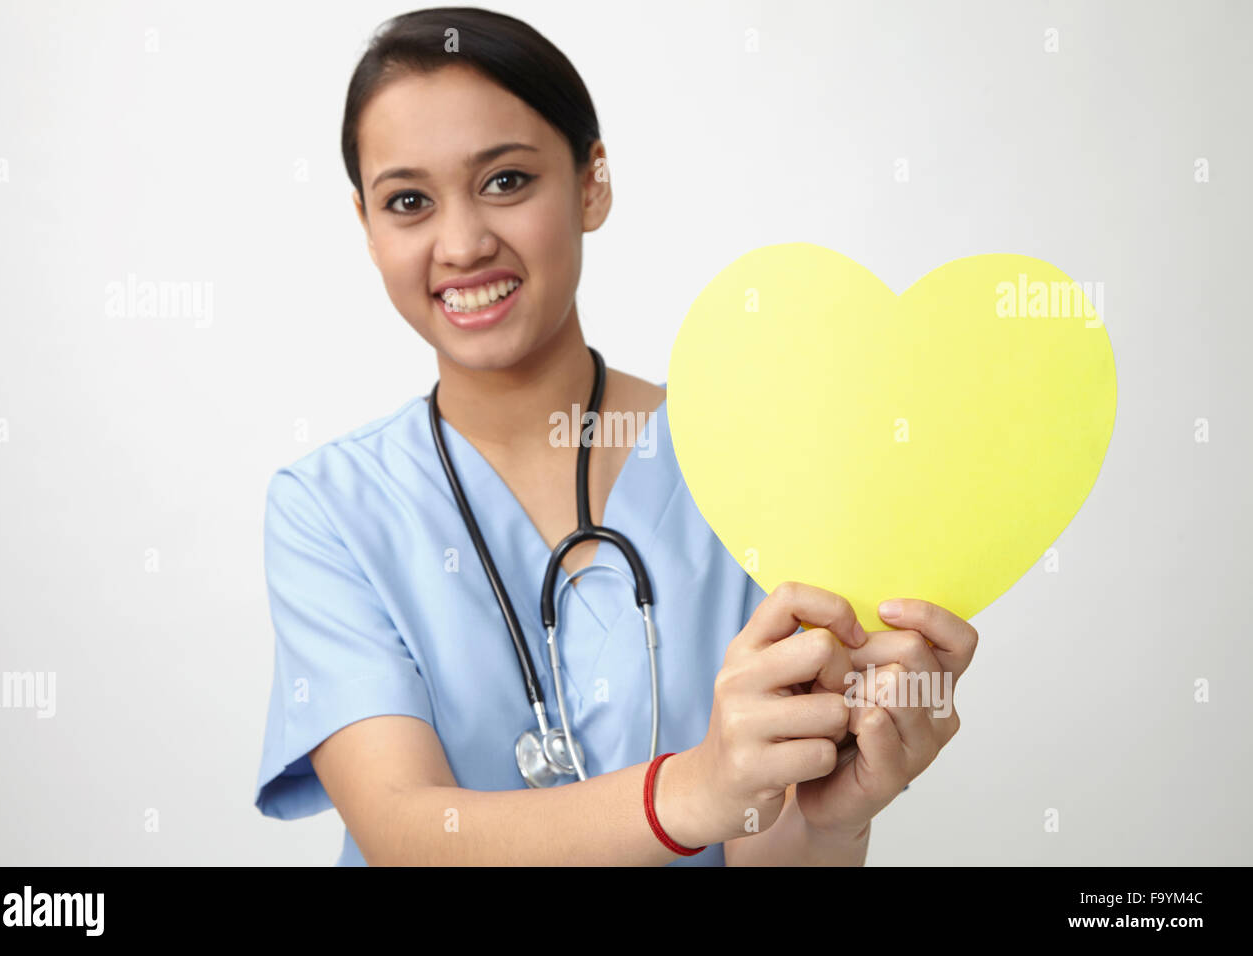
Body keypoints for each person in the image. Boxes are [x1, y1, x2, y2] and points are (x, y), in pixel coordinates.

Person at [254, 6, 977, 866]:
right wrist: (699, 788)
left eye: (506, 181)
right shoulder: (328, 510)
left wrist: (831, 816)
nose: (462, 242)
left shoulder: (750, 463)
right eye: (408, 201)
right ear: (368, 228)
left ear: (592, 183)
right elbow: (407, 835)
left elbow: (767, 847)